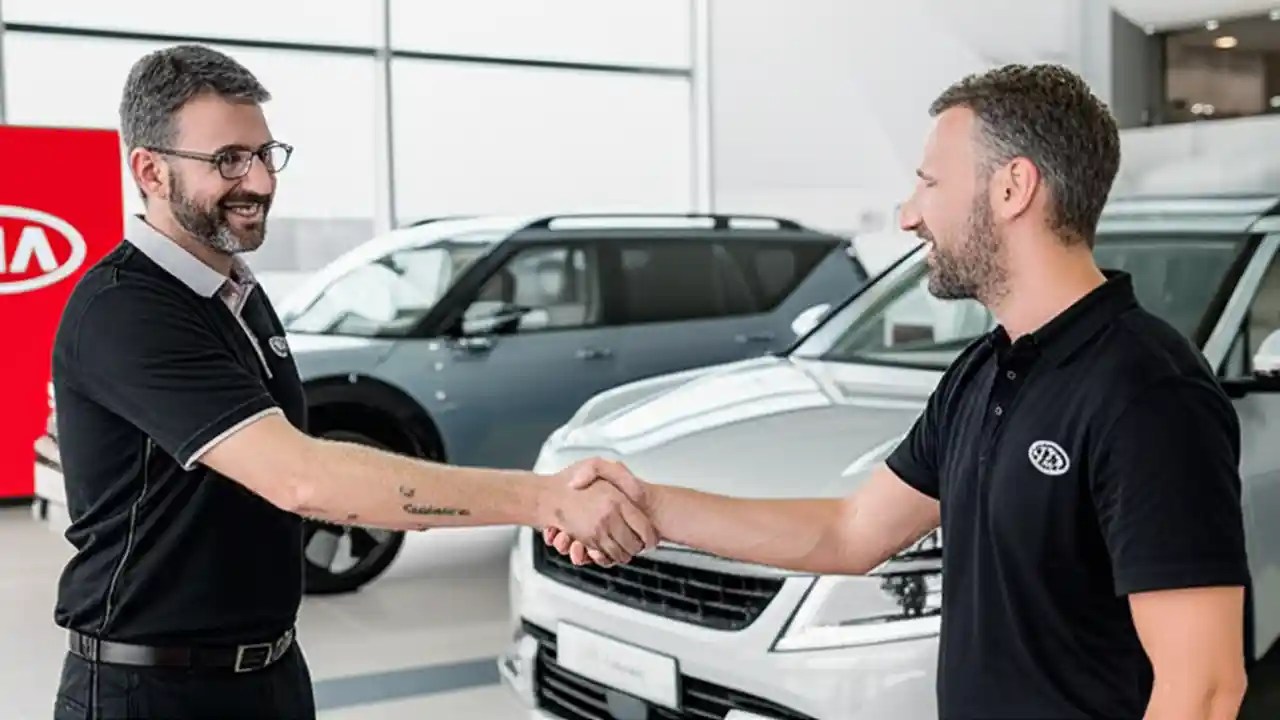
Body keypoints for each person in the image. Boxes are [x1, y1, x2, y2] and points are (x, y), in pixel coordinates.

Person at [545, 63, 1252, 720]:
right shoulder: (984, 371)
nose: (909, 214)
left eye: (929, 183)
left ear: (1012, 188)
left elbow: (1207, 687)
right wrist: (650, 505)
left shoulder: (1150, 393)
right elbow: (849, 532)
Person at [49, 44, 656, 720]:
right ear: (150, 170)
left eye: (264, 154)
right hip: (152, 693)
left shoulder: (234, 292)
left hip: (267, 672)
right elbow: (303, 479)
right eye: (227, 160)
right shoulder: (127, 308)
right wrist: (542, 501)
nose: (259, 181)